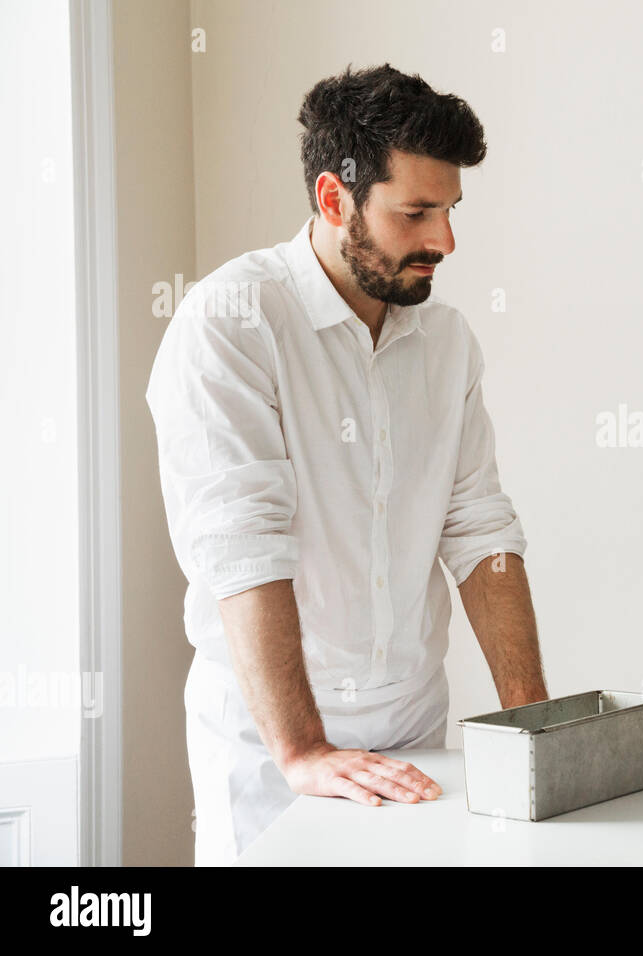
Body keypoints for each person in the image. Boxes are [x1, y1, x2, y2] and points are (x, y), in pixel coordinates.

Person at [146, 64, 547, 865]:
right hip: (272, 749)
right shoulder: (232, 323)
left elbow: (478, 526)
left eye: (450, 210)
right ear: (335, 200)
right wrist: (301, 751)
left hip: (412, 731)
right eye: (416, 213)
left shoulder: (446, 341)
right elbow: (241, 543)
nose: (445, 241)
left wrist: (533, 726)